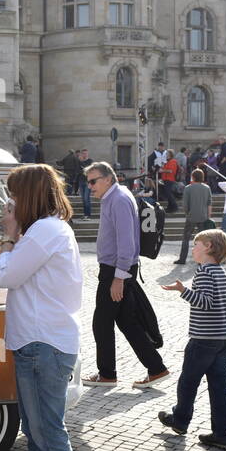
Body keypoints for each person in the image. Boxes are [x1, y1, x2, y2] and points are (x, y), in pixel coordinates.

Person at [0, 163, 84, 451]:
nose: (8, 203)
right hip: (38, 341)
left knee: (49, 432)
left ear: (26, 196)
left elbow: (5, 277)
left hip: (43, 342)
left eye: (13, 195)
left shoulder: (43, 231)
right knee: (36, 429)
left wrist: (9, 240)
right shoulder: (47, 229)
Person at [81, 161, 169, 389]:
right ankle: (156, 368)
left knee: (101, 322)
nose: (90, 186)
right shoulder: (114, 197)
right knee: (127, 322)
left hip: (115, 271)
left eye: (93, 181)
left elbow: (127, 242)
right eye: (88, 182)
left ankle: (107, 374)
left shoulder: (118, 199)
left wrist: (119, 278)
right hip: (118, 269)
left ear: (108, 179)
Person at [158, 229, 226, 450]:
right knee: (219, 386)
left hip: (204, 337)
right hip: (224, 336)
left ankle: (180, 419)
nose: (193, 249)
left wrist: (183, 290)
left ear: (208, 247)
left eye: (196, 245)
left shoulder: (204, 272)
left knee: (188, 381)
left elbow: (205, 302)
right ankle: (223, 434)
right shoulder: (219, 271)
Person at [174, 168, 212, 264]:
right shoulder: (207, 188)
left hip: (191, 216)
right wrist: (208, 216)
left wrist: (187, 213)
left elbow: (185, 205)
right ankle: (202, 259)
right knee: (203, 241)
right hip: (203, 217)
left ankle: (182, 259)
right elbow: (209, 204)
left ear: (193, 177)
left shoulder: (188, 188)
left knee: (186, 238)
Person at [58, 148, 84, 214]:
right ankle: (72, 192)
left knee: (68, 182)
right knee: (72, 182)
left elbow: (61, 163)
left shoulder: (67, 157)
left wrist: (56, 162)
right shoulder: (75, 158)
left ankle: (69, 192)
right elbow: (77, 165)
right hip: (73, 172)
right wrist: (77, 172)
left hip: (67, 171)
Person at [76, 147, 93, 218]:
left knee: (86, 198)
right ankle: (85, 214)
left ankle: (88, 215)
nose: (84, 155)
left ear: (87, 154)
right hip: (81, 181)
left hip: (87, 182)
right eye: (83, 153)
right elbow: (78, 171)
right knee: (83, 199)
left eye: (85, 153)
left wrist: (84, 169)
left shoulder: (90, 161)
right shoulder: (79, 161)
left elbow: (90, 170)